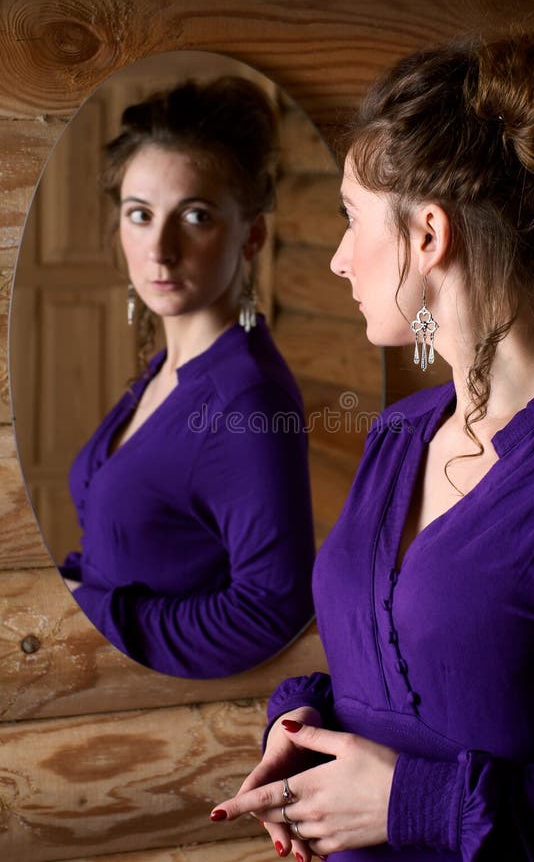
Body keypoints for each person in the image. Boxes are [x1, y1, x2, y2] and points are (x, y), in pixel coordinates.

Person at [210, 28, 534, 859]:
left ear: (428, 236)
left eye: (354, 221)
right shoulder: (397, 437)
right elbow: (409, 673)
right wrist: (305, 725)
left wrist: (416, 805)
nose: (341, 261)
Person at [59, 77, 315, 679]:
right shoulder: (166, 369)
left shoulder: (246, 400)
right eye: (140, 215)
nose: (160, 249)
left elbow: (270, 613)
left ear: (251, 234)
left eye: (195, 215)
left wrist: (98, 613)